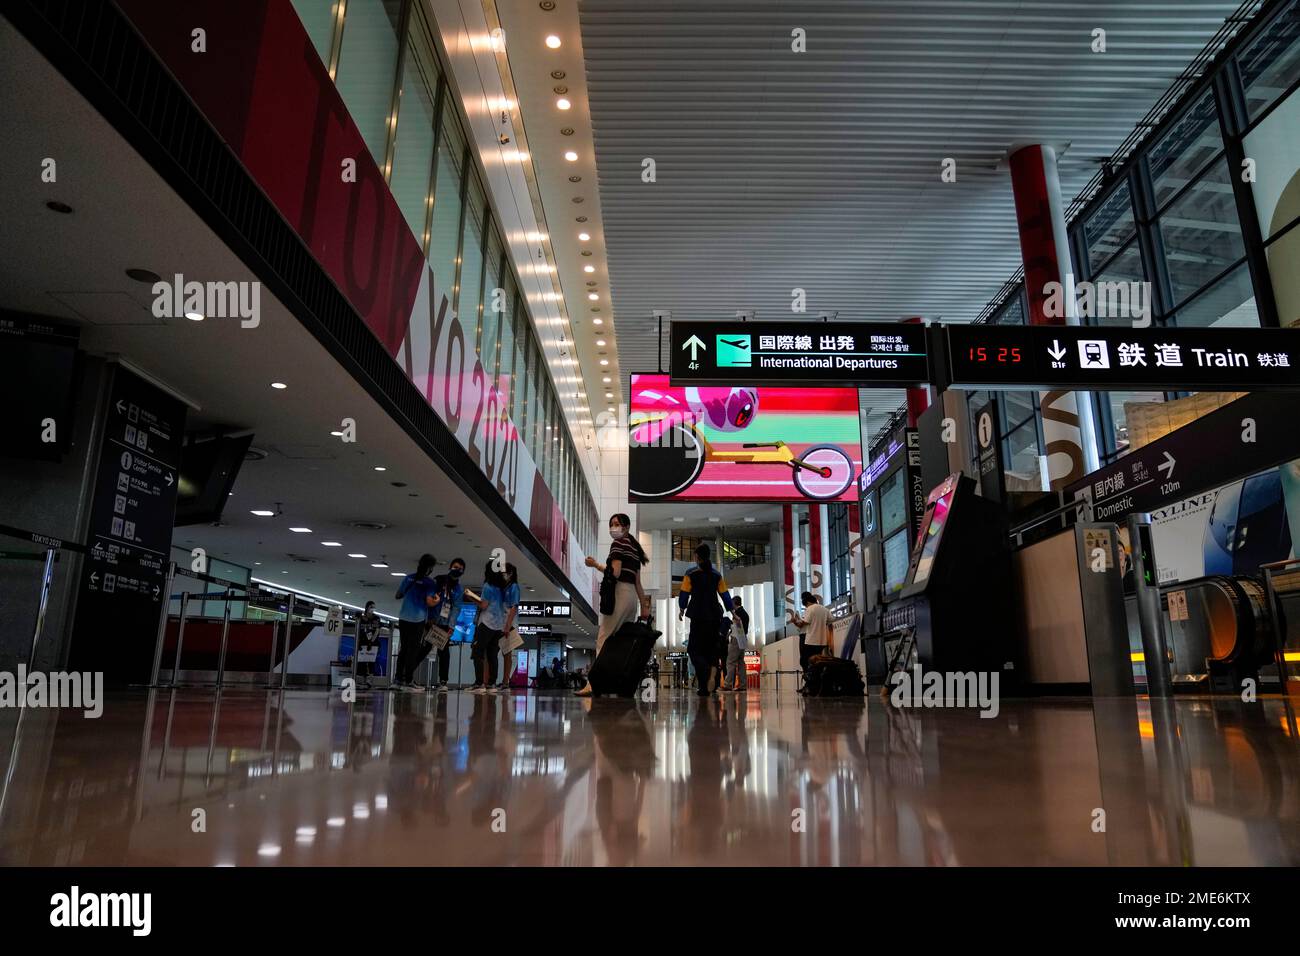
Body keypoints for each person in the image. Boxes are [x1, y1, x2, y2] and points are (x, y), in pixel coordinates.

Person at [577, 513, 651, 697]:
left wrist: (594, 565)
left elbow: (615, 573)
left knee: (603, 639)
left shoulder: (618, 544)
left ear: (626, 527)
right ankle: (615, 682)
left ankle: (593, 684)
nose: (613, 527)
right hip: (632, 599)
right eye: (611, 524)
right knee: (618, 642)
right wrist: (645, 606)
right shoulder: (634, 548)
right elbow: (638, 583)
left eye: (617, 524)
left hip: (619, 594)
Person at [678, 544, 733, 698]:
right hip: (715, 615)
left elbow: (684, 594)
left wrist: (682, 608)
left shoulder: (691, 573)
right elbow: (725, 595)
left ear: (697, 556)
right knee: (711, 649)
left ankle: (706, 673)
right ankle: (710, 677)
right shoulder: (716, 574)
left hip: (698, 615)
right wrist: (732, 611)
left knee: (694, 650)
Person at [470, 560, 519, 693]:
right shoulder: (502, 588)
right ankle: (491, 684)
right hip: (499, 626)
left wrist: (471, 597)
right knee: (492, 654)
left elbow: (484, 605)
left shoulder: (490, 586)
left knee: (478, 652)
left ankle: (480, 683)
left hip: (490, 623)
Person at [393, 554, 437, 690]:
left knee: (404, 649)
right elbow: (430, 602)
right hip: (417, 619)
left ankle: (397, 679)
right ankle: (409, 680)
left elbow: (398, 595)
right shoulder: (430, 583)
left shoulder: (408, 577)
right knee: (413, 650)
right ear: (430, 568)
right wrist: (437, 600)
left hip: (404, 617)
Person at [427, 557, 466, 689]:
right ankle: (406, 677)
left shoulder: (459, 589)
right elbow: (430, 597)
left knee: (443, 651)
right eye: (455, 567)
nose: (457, 570)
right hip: (432, 620)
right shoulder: (439, 580)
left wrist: (451, 626)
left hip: (444, 623)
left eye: (460, 569)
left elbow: (456, 607)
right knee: (424, 648)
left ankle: (443, 681)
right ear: (450, 567)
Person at [788, 592, 832, 689]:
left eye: (805, 604)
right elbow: (830, 620)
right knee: (818, 662)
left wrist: (795, 621)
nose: (805, 606)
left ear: (807, 602)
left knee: (805, 662)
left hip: (811, 640)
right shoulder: (825, 609)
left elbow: (803, 624)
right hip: (822, 641)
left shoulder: (810, 609)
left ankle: (810, 685)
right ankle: (817, 685)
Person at [494, 563, 521, 691]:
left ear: (511, 573)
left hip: (509, 625)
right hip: (499, 623)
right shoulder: (501, 587)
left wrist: (507, 626)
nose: (502, 574)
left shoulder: (514, 587)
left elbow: (514, 607)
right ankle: (496, 680)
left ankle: (506, 681)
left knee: (507, 653)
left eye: (505, 571)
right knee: (495, 652)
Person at [722, 601, 749, 692]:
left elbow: (736, 626)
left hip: (736, 639)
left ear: (734, 603)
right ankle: (743, 685)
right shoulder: (745, 613)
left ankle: (728, 684)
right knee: (741, 662)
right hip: (743, 639)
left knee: (730, 662)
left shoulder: (738, 613)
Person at [356, 601, 381, 686]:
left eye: (374, 607)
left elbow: (377, 630)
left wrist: (371, 642)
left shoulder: (376, 618)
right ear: (367, 607)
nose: (372, 609)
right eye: (371, 607)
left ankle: (369, 680)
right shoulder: (361, 618)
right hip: (363, 642)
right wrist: (358, 641)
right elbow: (359, 630)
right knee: (362, 661)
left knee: (371, 662)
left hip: (373, 643)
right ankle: (362, 679)